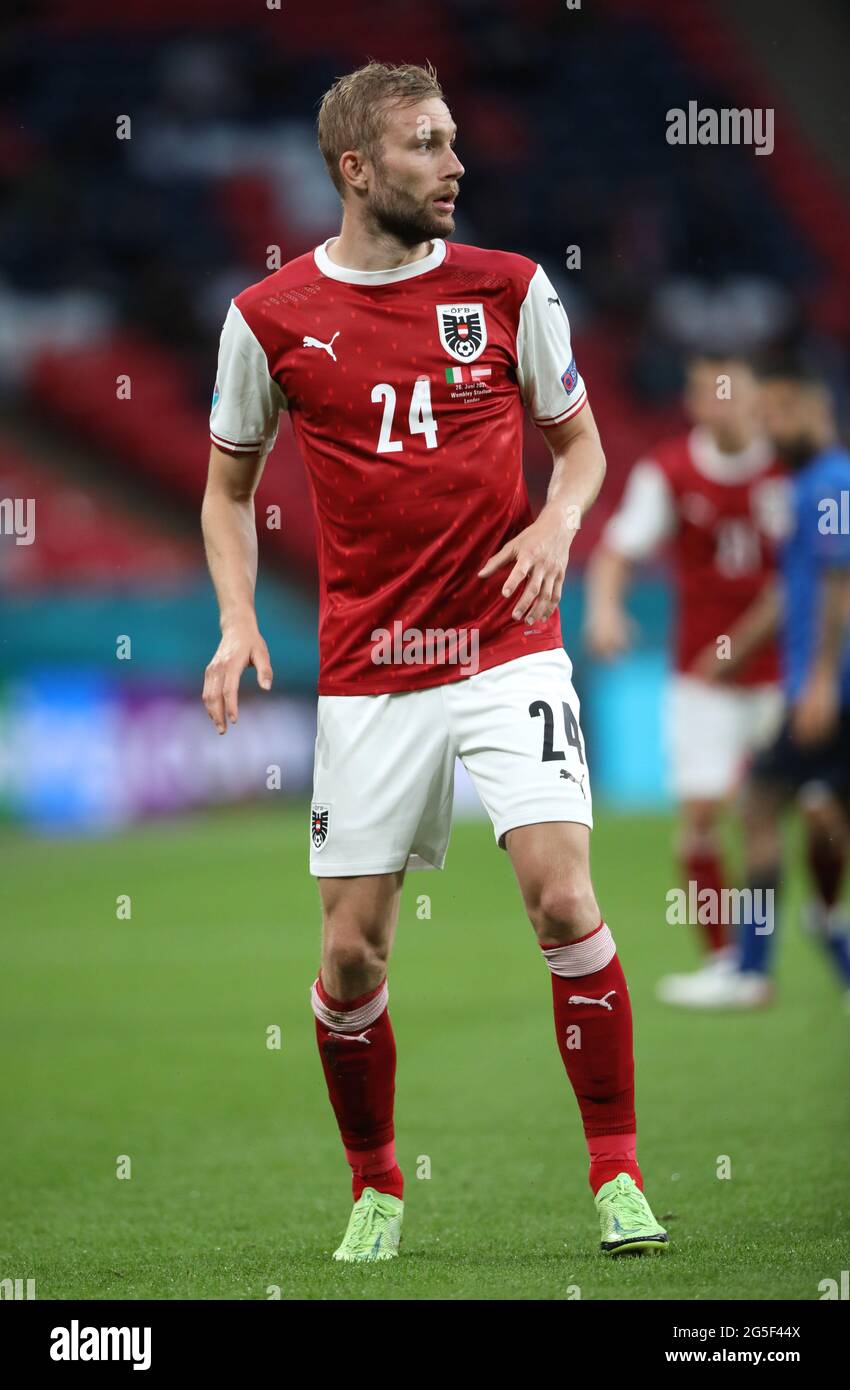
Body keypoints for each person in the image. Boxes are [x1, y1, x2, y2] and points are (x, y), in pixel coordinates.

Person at [200, 61, 667, 1259]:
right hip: (370, 668)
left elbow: (582, 453)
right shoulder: (269, 319)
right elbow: (225, 487)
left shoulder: (510, 289)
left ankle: (615, 1173)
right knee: (351, 954)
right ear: (356, 170)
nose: (455, 164)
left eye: (454, 139)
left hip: (508, 645)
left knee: (562, 891)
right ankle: (376, 1184)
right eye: (425, 145)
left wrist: (558, 526)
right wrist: (236, 617)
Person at [584, 354, 785, 1001]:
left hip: (786, 672)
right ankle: (731, 964)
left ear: (758, 399)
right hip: (702, 677)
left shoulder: (791, 466)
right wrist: (606, 608)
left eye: (732, 391)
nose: (719, 403)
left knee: (818, 813)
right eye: (706, 392)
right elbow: (617, 549)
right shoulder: (669, 472)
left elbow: (807, 572)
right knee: (702, 815)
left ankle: (825, 924)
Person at [666, 356, 850, 1009]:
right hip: (818, 682)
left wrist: (823, 680)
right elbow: (791, 590)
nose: (768, 429)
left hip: (826, 688)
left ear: (813, 412)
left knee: (761, 809)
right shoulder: (814, 486)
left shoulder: (828, 486)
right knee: (810, 812)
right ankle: (804, 943)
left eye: (777, 414)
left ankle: (751, 967)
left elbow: (838, 583)